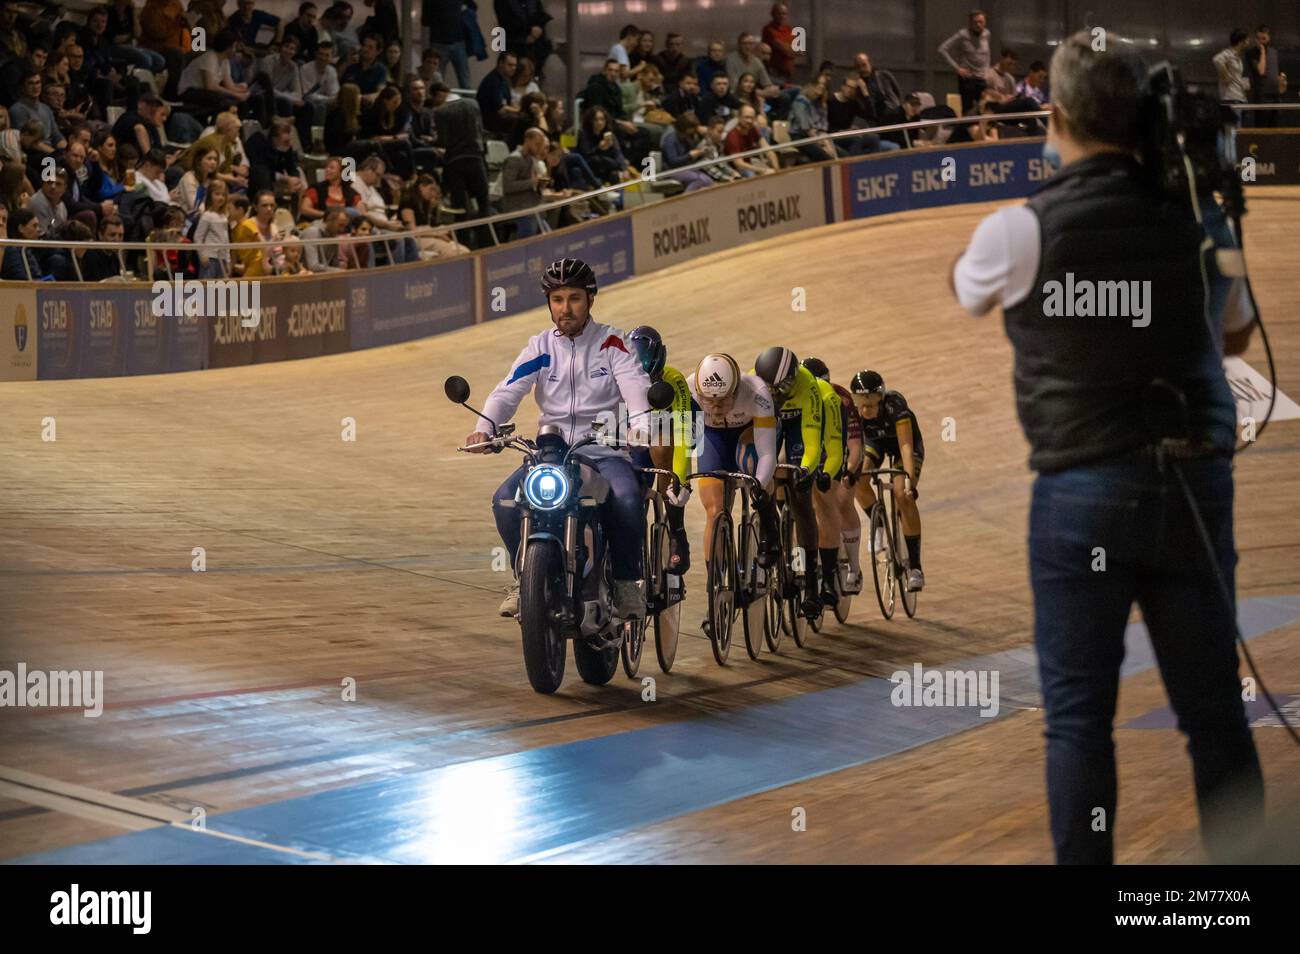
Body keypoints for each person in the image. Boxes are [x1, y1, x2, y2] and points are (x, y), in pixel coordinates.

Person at [950, 31, 1263, 865]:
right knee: (1214, 716)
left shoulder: (1018, 231)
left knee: (1079, 720)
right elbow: (1233, 339)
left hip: (1081, 494)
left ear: (1053, 117)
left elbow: (968, 292)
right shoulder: (1200, 217)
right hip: (1193, 483)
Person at [468, 259, 653, 620]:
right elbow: (507, 390)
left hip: (602, 450)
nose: (565, 308)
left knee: (628, 498)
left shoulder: (613, 342)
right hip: (550, 453)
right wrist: (486, 427)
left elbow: (635, 386)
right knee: (503, 499)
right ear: (548, 303)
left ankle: (628, 583)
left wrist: (641, 422)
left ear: (590, 300)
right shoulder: (539, 347)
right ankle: (525, 582)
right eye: (557, 299)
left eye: (574, 298)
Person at [687, 353, 781, 605]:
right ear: (698, 391)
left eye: (724, 400)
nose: (716, 408)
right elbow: (683, 446)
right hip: (712, 439)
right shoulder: (687, 392)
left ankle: (769, 524)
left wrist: (760, 485)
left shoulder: (757, 392)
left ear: (737, 389)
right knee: (714, 510)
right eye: (708, 401)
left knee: (753, 465)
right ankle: (715, 590)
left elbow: (768, 454)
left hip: (747, 434)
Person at [753, 346, 825, 618]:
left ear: (792, 380)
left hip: (798, 424)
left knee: (800, 496)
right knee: (762, 472)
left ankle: (812, 586)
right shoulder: (755, 382)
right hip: (769, 422)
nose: (775, 394)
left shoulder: (808, 386)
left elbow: (812, 440)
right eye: (770, 389)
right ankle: (769, 532)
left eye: (780, 389)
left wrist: (807, 469)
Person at [625, 326, 695, 573]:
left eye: (652, 378)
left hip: (666, 433)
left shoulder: (674, 381)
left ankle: (677, 531)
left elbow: (685, 434)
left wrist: (681, 479)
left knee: (663, 446)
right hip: (633, 433)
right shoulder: (616, 377)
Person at [848, 369, 924, 591]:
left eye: (870, 405)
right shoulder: (856, 412)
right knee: (859, 480)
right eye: (860, 404)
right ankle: (878, 524)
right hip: (875, 443)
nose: (864, 410)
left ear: (880, 400)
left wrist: (909, 479)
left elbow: (906, 446)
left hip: (903, 445)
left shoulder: (895, 406)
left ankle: (915, 567)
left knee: (902, 494)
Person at [939, 9, 991, 113]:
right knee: (968, 110)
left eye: (981, 22)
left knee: (985, 108)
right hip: (968, 79)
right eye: (975, 22)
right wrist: (957, 68)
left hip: (982, 78)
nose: (978, 25)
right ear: (970, 23)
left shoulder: (987, 34)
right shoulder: (963, 35)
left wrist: (987, 70)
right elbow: (942, 49)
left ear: (984, 22)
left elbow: (987, 54)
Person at [1244, 25, 1283, 128]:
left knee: (1275, 127)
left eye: (1264, 39)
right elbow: (1261, 71)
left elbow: (1276, 72)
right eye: (1259, 38)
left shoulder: (1274, 52)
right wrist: (1262, 52)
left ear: (1268, 38)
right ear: (1255, 39)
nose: (1261, 41)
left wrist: (1281, 81)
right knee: (1262, 128)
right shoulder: (1251, 53)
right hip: (1262, 96)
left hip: (1276, 96)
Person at [1213, 31, 1250, 121]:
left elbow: (1236, 75)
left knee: (1240, 129)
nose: (1248, 42)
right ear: (1241, 42)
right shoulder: (1228, 53)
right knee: (1233, 129)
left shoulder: (1237, 56)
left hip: (1240, 96)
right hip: (1230, 96)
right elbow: (1217, 60)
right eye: (1247, 40)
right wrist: (1226, 75)